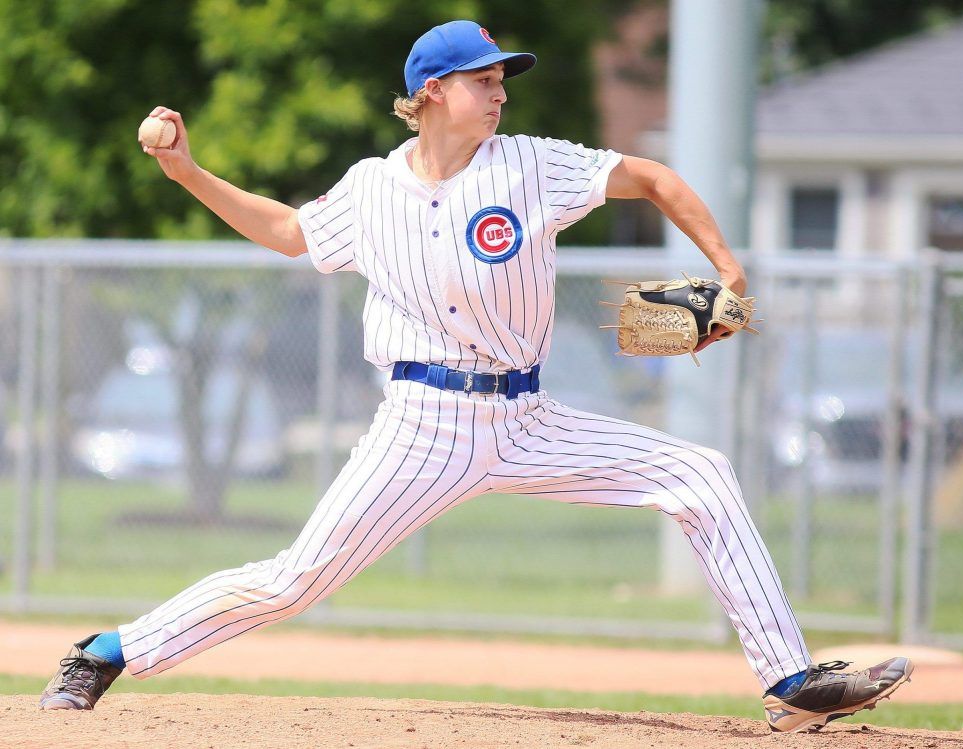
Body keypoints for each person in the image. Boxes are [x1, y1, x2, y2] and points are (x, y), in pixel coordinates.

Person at [39, 20, 912, 733]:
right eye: (483, 80)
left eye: (503, 80)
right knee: (294, 578)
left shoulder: (528, 164)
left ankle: (789, 680)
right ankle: (108, 651)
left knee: (700, 474)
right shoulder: (371, 188)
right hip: (421, 424)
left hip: (529, 416)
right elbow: (289, 234)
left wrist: (726, 269)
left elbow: (649, 176)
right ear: (431, 95)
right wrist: (184, 169)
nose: (500, 92)